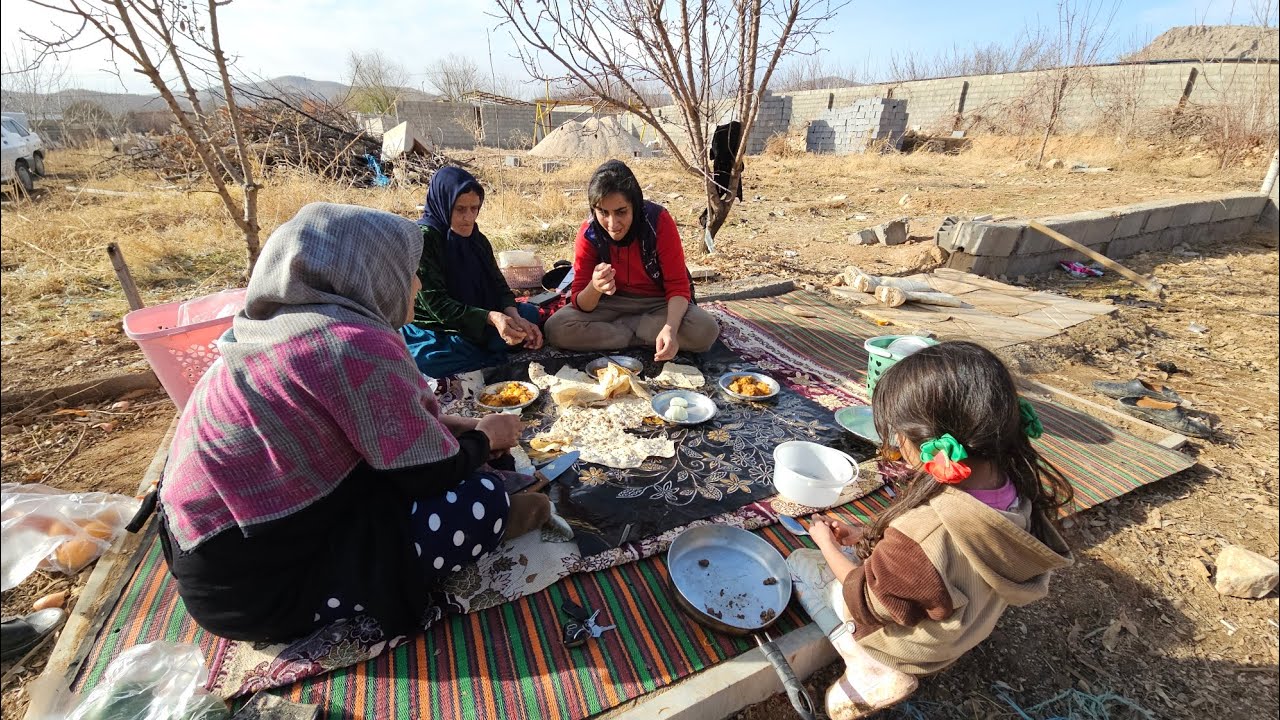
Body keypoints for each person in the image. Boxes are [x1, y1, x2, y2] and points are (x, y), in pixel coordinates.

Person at [156, 203, 552, 643]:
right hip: (263, 589)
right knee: (480, 497)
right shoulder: (351, 343)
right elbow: (427, 474)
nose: (417, 284)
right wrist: (485, 438)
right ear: (369, 273)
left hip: (224, 566)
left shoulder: (271, 327)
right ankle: (495, 519)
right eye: (409, 272)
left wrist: (454, 427)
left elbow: (356, 428)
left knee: (463, 466)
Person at [786, 341, 1074, 719]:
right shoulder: (1014, 484)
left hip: (919, 646)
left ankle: (867, 664)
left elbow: (870, 601)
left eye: (898, 435)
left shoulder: (923, 532)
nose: (895, 443)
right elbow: (936, 550)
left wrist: (827, 545)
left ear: (929, 442)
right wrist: (863, 534)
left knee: (801, 564)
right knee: (867, 556)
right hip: (967, 626)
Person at [544, 160, 719, 361]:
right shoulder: (589, 233)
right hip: (609, 304)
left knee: (705, 330)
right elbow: (582, 304)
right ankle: (641, 335)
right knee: (556, 328)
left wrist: (670, 328)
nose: (612, 224)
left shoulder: (658, 221)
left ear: (634, 205)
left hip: (657, 303)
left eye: (621, 212)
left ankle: (624, 334)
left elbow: (678, 286)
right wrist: (595, 287)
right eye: (603, 212)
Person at [401, 166, 543, 378]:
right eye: (460, 209)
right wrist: (491, 317)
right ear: (443, 204)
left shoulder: (478, 240)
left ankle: (488, 344)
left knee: (528, 315)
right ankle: (484, 348)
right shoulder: (424, 239)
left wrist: (514, 316)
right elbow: (438, 306)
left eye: (474, 208)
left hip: (480, 316)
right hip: (441, 327)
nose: (468, 217)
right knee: (429, 357)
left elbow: (499, 286)